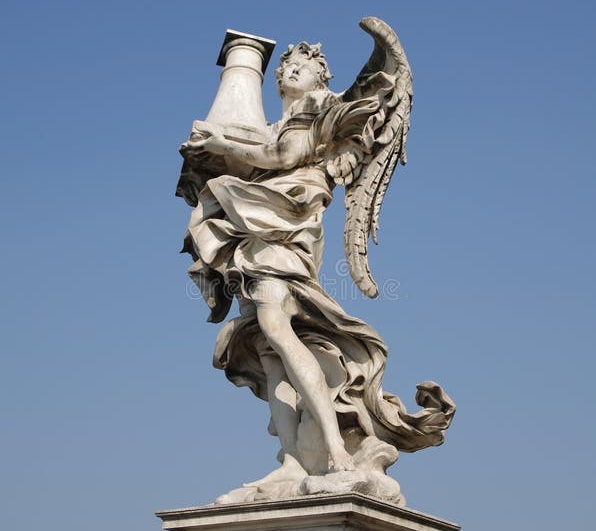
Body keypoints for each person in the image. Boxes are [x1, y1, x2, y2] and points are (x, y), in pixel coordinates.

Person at [180, 31, 454, 493]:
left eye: (299, 66)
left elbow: (283, 155)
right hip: (259, 227)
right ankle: (291, 461)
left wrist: (222, 144)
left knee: (274, 327)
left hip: (286, 223)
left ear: (320, 76)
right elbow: (256, 155)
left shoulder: (319, 109)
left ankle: (334, 447)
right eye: (283, 67)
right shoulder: (272, 122)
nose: (288, 71)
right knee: (268, 347)